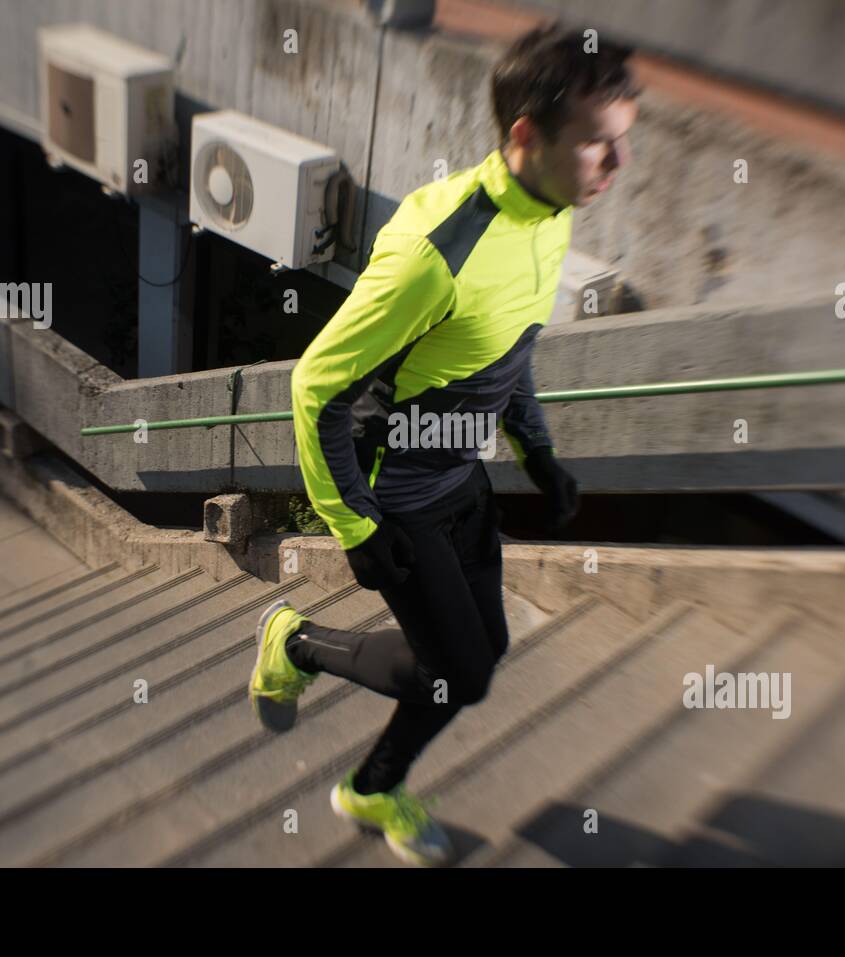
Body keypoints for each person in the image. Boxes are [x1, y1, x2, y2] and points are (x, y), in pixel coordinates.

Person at [249, 23, 640, 866]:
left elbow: (509, 352)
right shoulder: (436, 252)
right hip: (398, 500)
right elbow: (315, 383)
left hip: (463, 478)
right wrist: (353, 526)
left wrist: (538, 454)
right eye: (599, 146)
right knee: (459, 672)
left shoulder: (554, 212)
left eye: (622, 144)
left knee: (481, 655)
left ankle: (337, 715)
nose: (616, 167)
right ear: (526, 136)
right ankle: (315, 678)